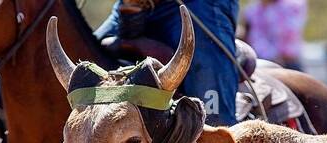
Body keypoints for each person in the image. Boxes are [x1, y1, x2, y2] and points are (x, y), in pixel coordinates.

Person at [94, 0, 240, 127]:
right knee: (84, 53)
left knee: (214, 118)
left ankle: (220, 137)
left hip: (196, 4)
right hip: (130, 5)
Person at [241, 0, 307, 72]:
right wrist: (271, 55)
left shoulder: (293, 5)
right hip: (262, 61)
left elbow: (289, 33)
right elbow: (255, 37)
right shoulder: (253, 10)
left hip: (289, 62)